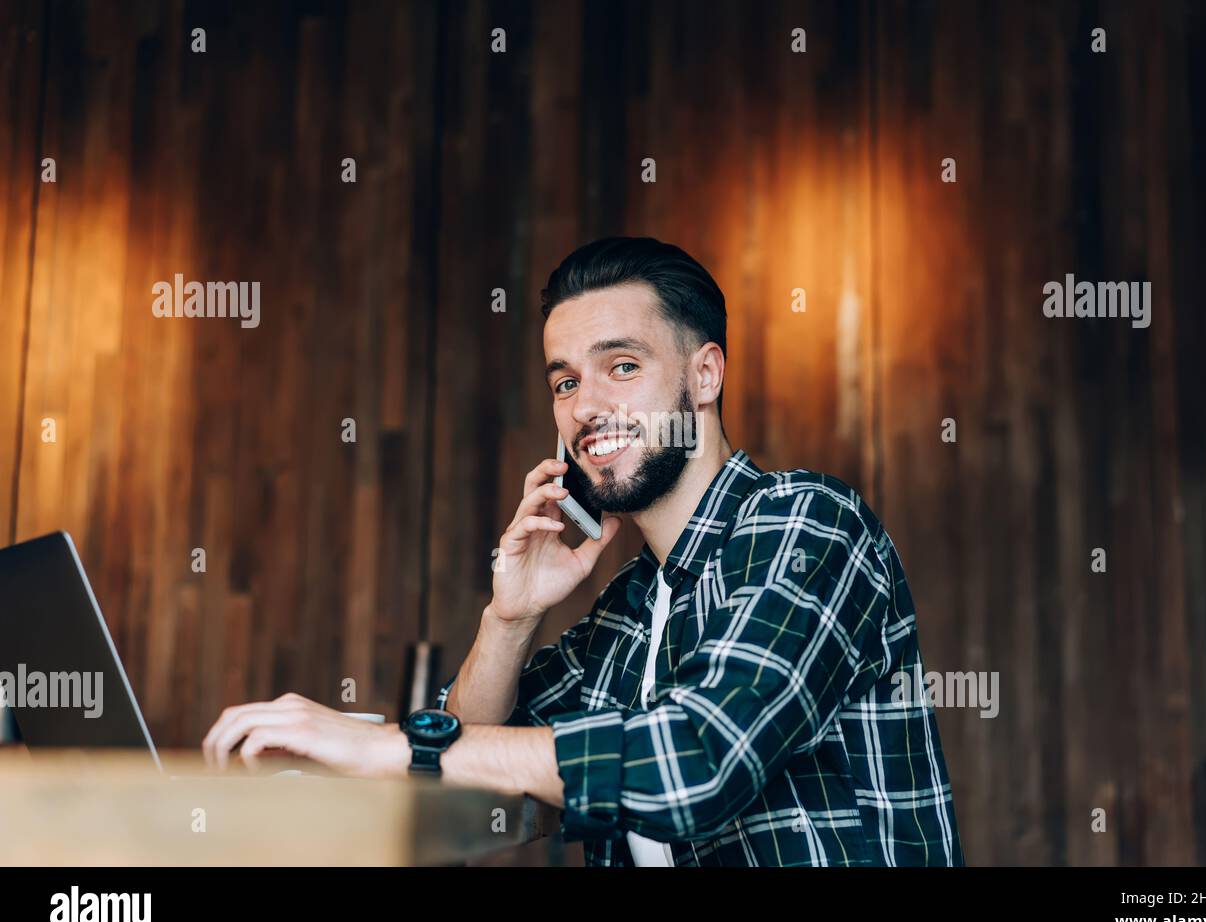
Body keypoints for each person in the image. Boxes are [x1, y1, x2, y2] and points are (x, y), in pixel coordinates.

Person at [203, 236, 965, 867]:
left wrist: (393, 748)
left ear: (705, 375)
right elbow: (474, 780)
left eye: (622, 366)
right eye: (564, 381)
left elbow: (696, 762)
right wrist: (508, 618)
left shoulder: (810, 525)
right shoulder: (628, 613)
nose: (587, 405)